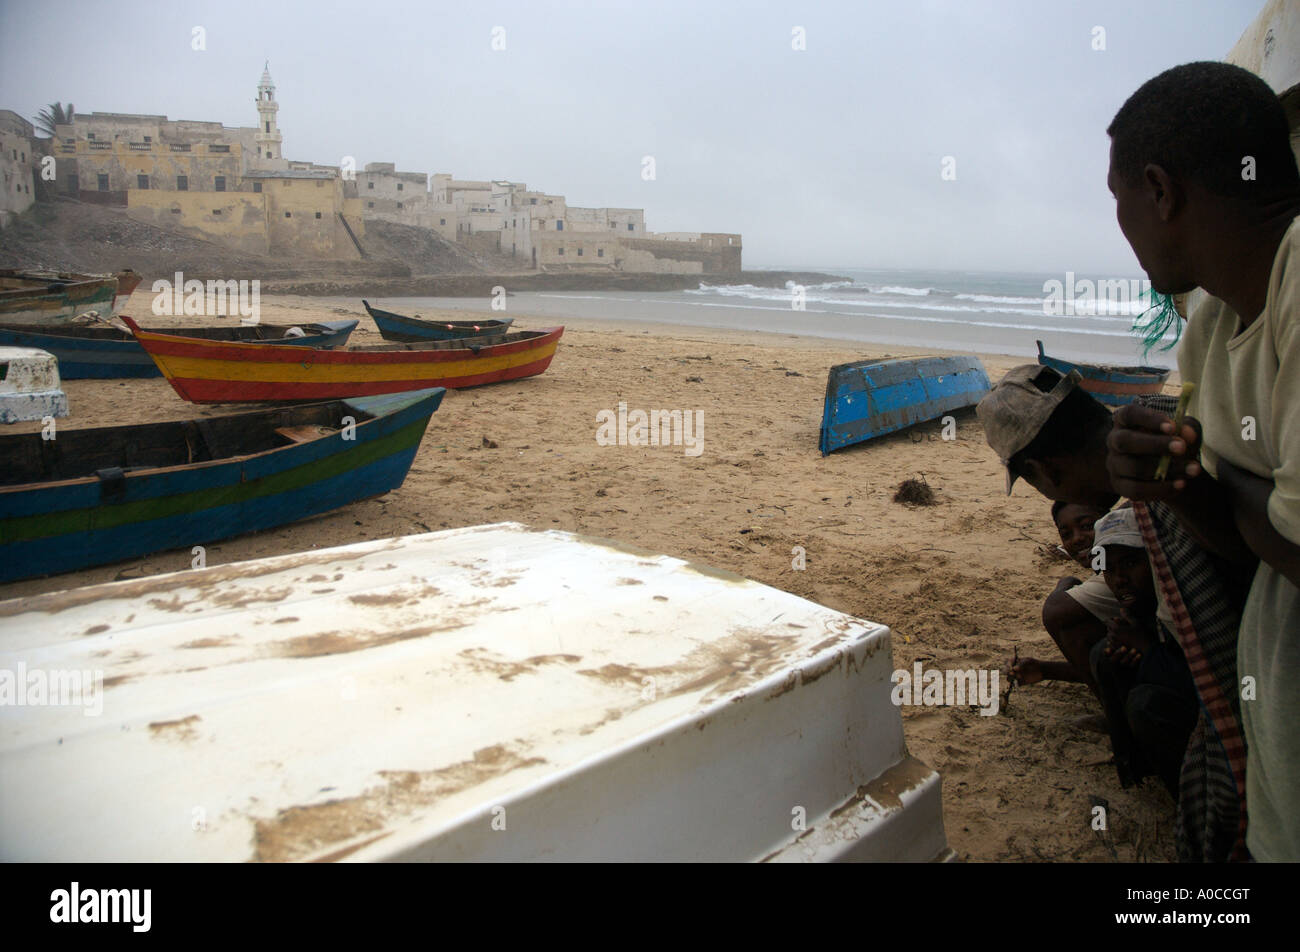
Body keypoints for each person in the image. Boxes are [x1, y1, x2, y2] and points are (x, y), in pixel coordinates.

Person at [1104, 61, 1300, 862]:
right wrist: (1175, 484)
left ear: (1160, 190)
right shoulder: (1213, 325)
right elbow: (1247, 538)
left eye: (1118, 202)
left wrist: (1217, 478)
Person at [979, 362, 1250, 861]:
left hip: (1245, 689)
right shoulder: (1159, 447)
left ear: (1045, 472)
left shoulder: (1157, 483)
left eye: (1041, 487)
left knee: (1148, 701)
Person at [1087, 509, 1198, 796]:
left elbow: (1212, 687)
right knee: (1105, 654)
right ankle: (1136, 768)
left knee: (1145, 703)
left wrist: (1147, 651)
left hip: (1211, 724)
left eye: (1131, 563)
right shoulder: (1141, 606)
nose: (1119, 578)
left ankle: (1190, 799)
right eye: (1109, 569)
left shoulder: (1186, 603)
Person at [1016, 501, 1116, 696]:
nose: (1077, 539)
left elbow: (1054, 611)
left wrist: (1067, 582)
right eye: (1066, 534)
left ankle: (1117, 723)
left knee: (1071, 624)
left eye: (1087, 526)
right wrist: (1046, 670)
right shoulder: (1106, 567)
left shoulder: (1118, 573)